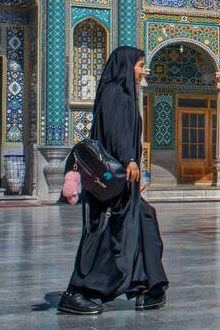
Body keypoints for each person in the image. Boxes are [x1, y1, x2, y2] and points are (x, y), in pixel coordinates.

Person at [57, 46, 168, 315]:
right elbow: (118, 132)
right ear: (126, 66)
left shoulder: (117, 93)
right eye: (140, 65)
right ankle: (79, 291)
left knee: (143, 220)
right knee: (108, 232)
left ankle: (148, 286)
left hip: (120, 180)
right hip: (116, 178)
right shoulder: (117, 94)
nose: (143, 71)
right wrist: (130, 159)